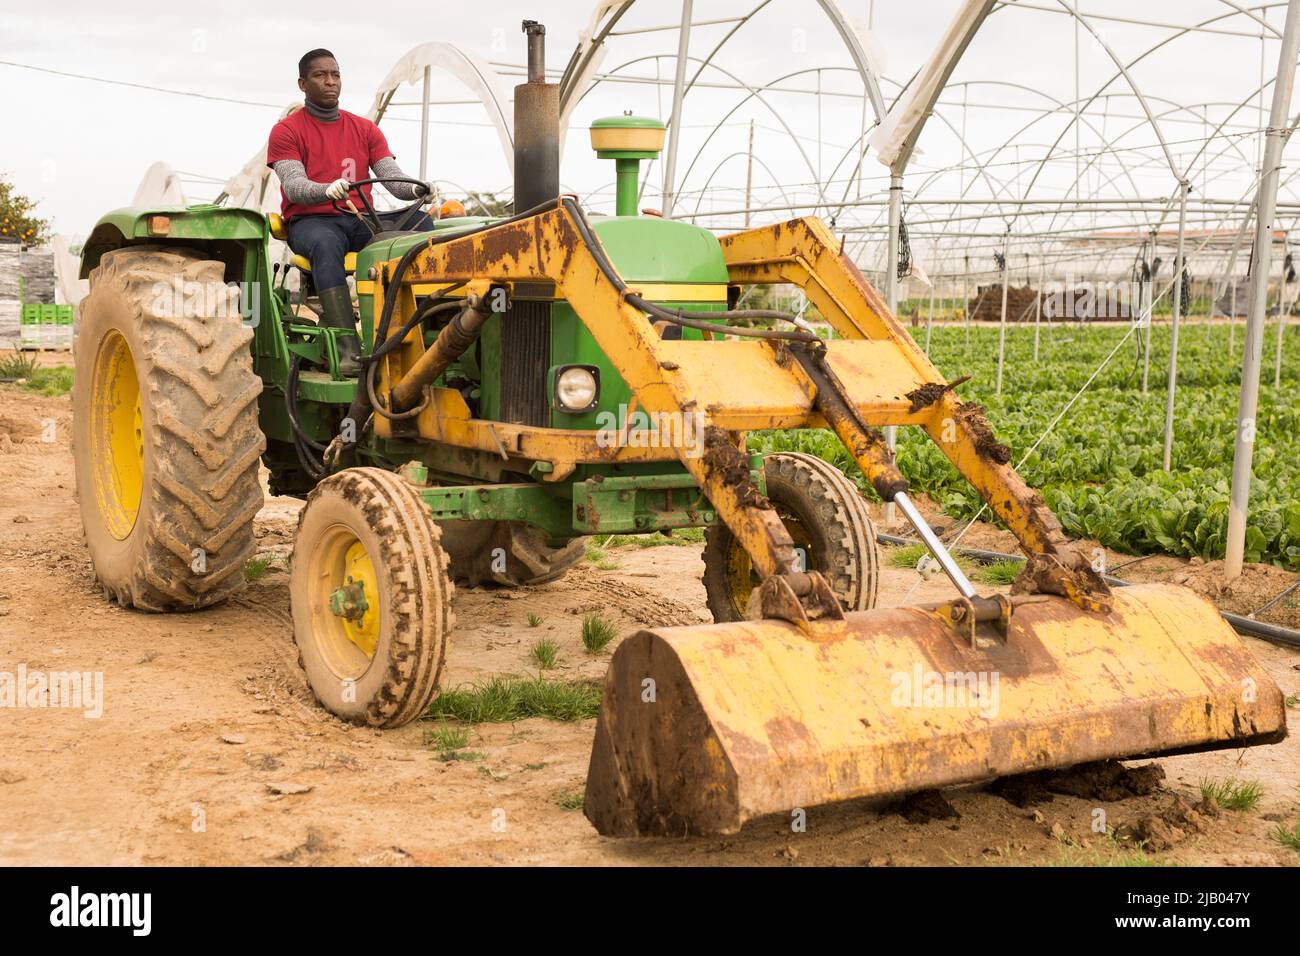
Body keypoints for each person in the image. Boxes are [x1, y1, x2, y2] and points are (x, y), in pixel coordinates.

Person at [267, 48, 434, 373]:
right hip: (311, 222)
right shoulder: (286, 131)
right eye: (320, 75)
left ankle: (423, 329)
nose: (330, 82)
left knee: (422, 224)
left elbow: (392, 177)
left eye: (335, 75)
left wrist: (417, 189)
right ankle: (347, 349)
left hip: (359, 221)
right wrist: (324, 189)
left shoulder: (365, 129)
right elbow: (294, 185)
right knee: (325, 244)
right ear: (303, 84)